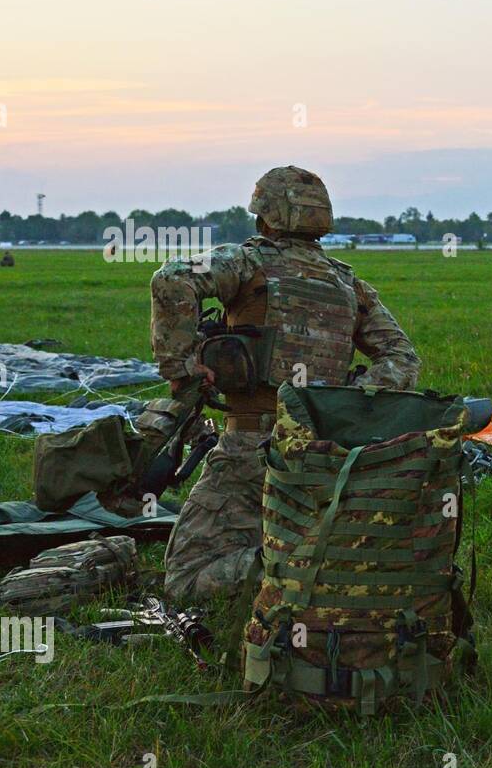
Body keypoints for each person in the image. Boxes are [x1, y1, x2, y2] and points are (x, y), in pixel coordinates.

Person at [150, 166, 420, 602]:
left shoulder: (245, 262)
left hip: (248, 450)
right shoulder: (348, 282)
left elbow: (170, 279)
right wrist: (344, 405)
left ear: (264, 219)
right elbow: (402, 358)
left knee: (184, 581)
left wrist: (181, 366)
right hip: (321, 456)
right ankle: (314, 562)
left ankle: (292, 569)